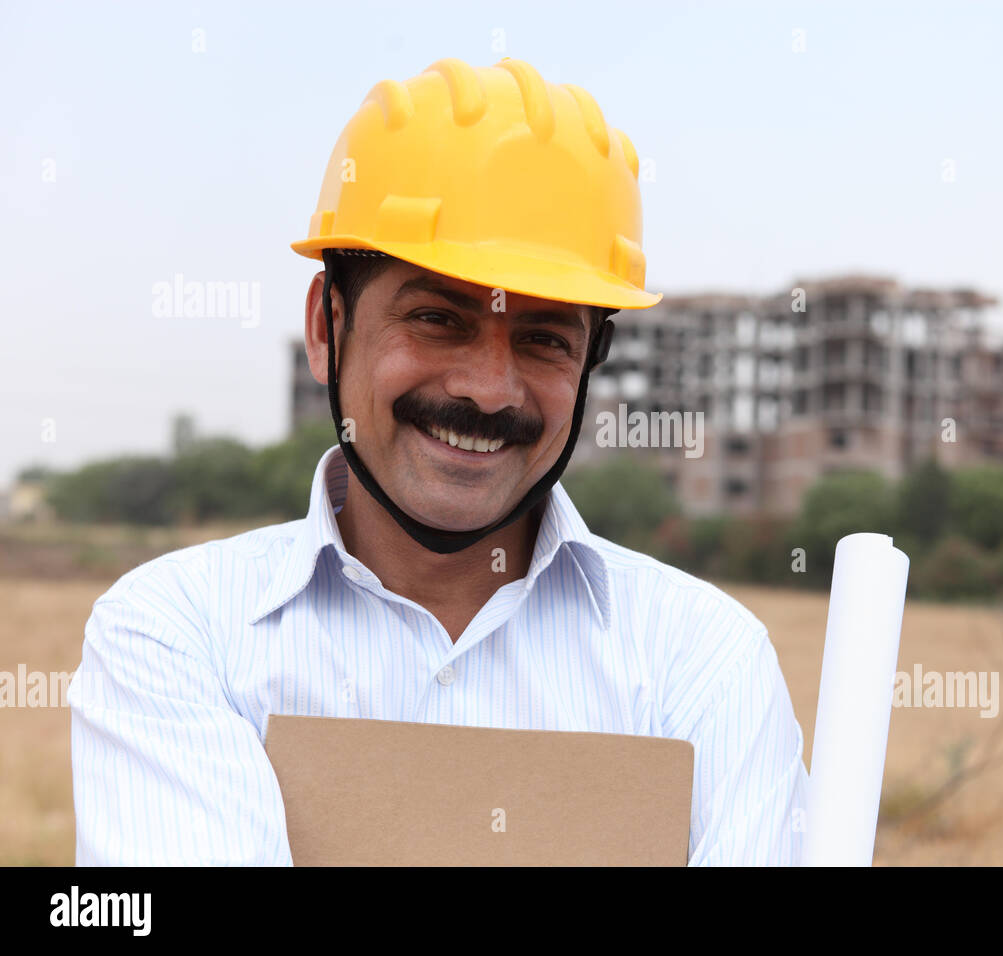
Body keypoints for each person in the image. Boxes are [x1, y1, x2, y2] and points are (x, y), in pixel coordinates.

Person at [69, 56, 807, 865]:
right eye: (436, 319)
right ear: (327, 329)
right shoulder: (177, 635)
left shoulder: (706, 663)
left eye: (544, 338)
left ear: (591, 362)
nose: (488, 391)